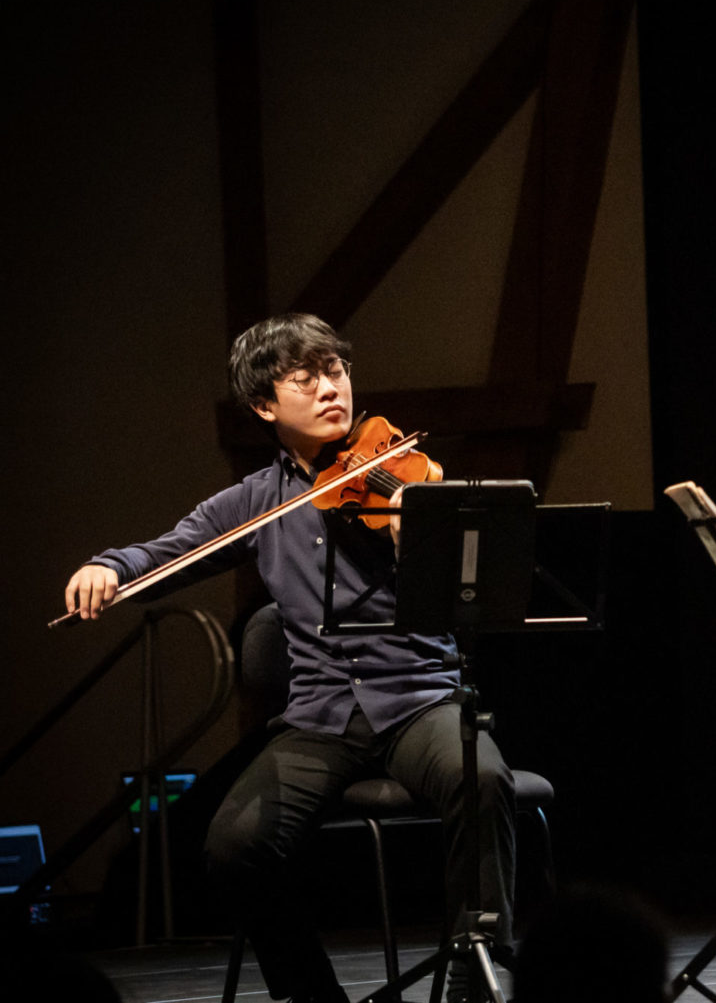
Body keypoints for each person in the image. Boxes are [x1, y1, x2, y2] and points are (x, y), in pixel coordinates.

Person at [63, 313, 518, 1003]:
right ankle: (312, 993)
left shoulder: (404, 476)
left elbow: (473, 584)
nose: (331, 388)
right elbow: (166, 551)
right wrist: (107, 566)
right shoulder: (254, 501)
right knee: (232, 844)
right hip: (321, 716)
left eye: (335, 371)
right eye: (306, 380)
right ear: (265, 405)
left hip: (420, 697)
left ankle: (472, 979)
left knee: (482, 780)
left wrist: (422, 541)